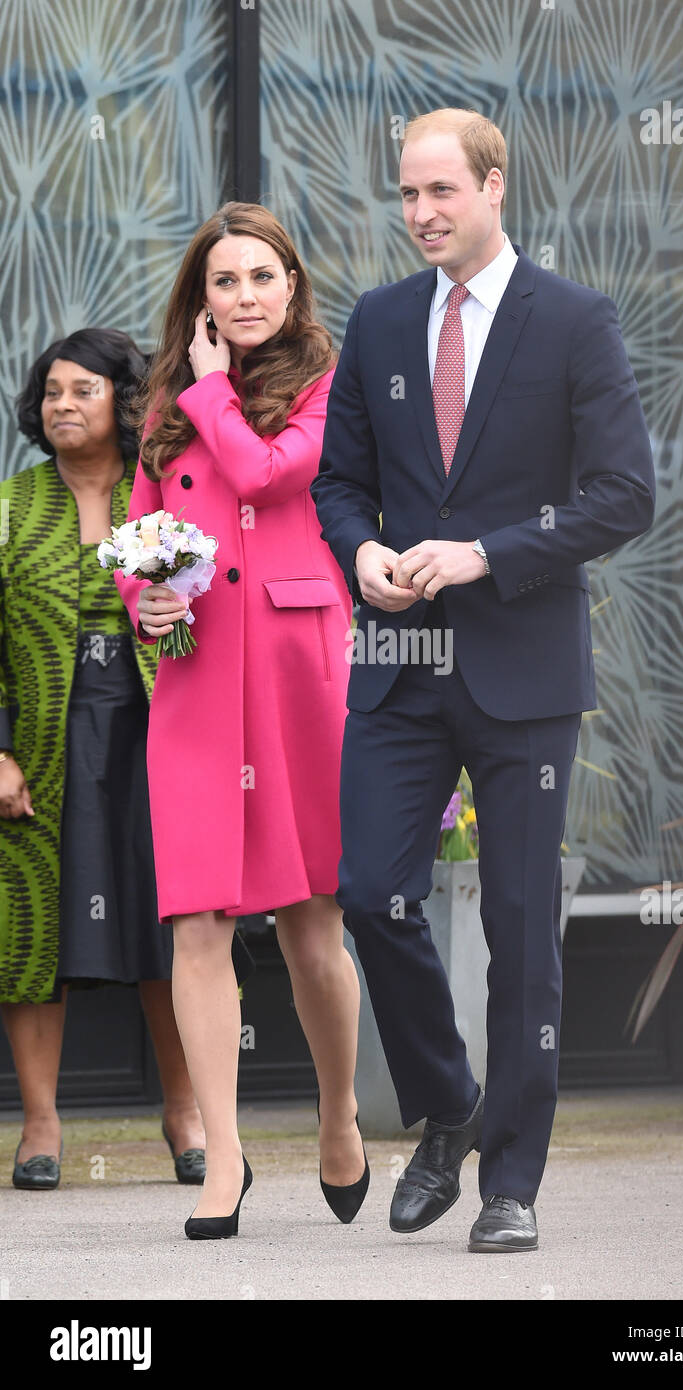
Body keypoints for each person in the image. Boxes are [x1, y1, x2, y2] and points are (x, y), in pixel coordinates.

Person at [311, 108, 656, 1252]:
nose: (417, 215)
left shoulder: (573, 320)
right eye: (404, 196)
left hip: (523, 668)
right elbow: (338, 484)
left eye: (438, 193)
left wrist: (487, 554)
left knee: (519, 929)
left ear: (494, 186)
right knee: (371, 893)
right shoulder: (374, 321)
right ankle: (448, 1107)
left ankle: (509, 1181)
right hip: (400, 667)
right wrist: (359, 551)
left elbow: (622, 496)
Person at [114, 202, 367, 1240]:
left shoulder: (328, 382)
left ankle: (340, 1112)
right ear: (200, 296)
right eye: (225, 281)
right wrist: (149, 601)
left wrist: (212, 387)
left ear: (292, 285)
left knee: (312, 923)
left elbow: (271, 474)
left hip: (299, 673)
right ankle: (223, 1155)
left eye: (262, 277)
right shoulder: (169, 402)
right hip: (197, 675)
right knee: (198, 920)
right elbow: (142, 531)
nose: (245, 296)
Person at [1, 328, 205, 1191]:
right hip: (40, 747)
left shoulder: (162, 500)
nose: (62, 405)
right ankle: (42, 1123)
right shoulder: (10, 506)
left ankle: (186, 1113)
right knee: (31, 923)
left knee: (175, 922)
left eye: (83, 389)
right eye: (51, 392)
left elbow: (206, 625)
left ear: (124, 402)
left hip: (160, 735)